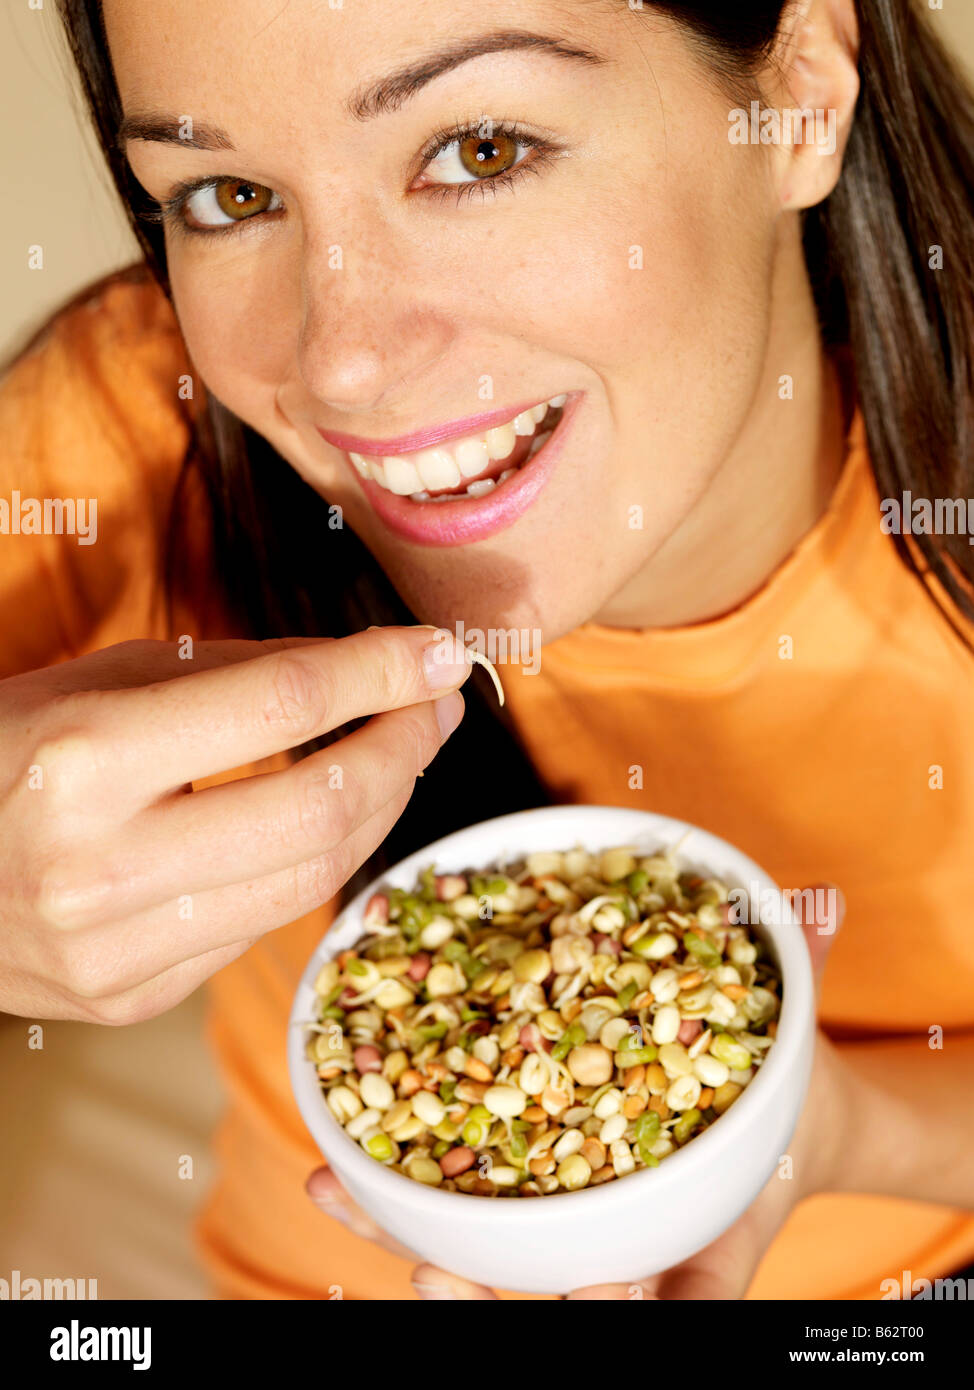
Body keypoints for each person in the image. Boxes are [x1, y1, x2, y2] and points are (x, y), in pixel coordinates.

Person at [2, 0, 973, 1300]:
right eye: (229, 194)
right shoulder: (134, 440)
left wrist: (838, 1127)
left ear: (798, 89)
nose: (341, 364)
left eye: (477, 150)